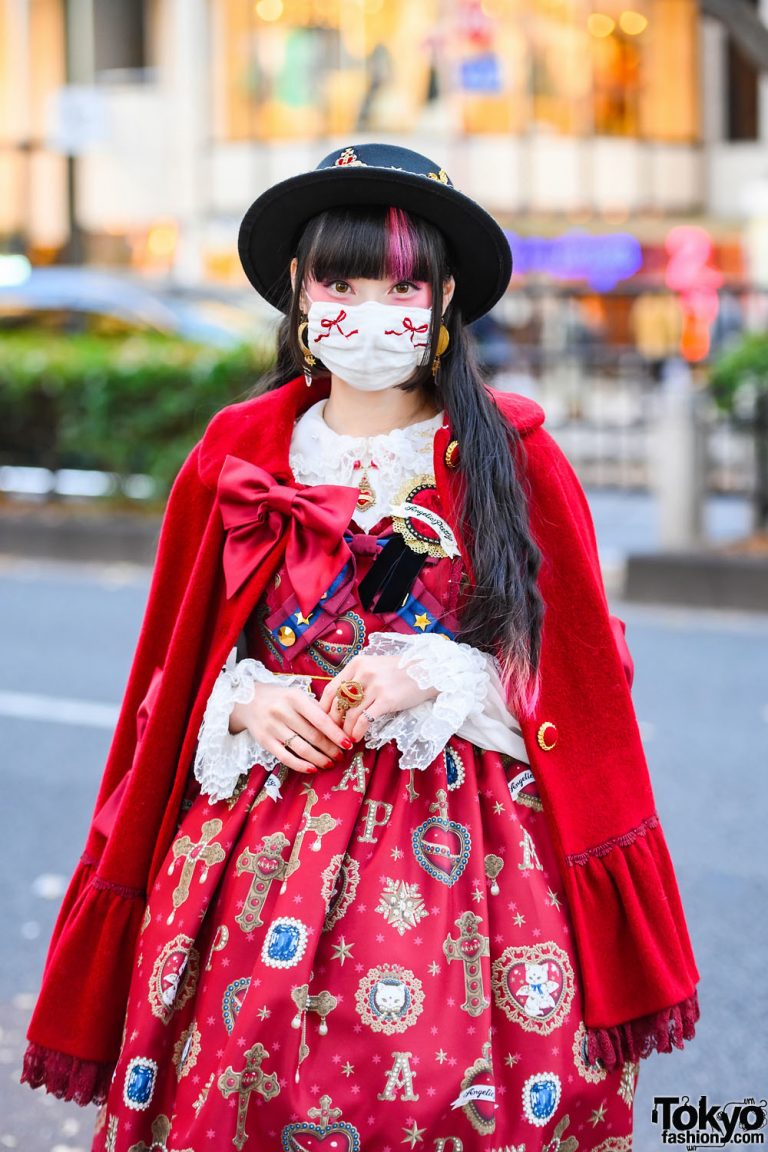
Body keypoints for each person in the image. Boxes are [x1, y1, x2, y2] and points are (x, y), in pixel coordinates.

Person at [21, 143, 699, 1151]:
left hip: (466, 838)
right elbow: (174, 661)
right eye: (340, 282)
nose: (368, 311)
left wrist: (428, 674)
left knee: (447, 1092)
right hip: (256, 824)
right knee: (242, 1079)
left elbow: (582, 671)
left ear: (444, 298)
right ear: (297, 295)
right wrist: (246, 698)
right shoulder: (236, 455)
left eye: (399, 285)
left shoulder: (513, 453)